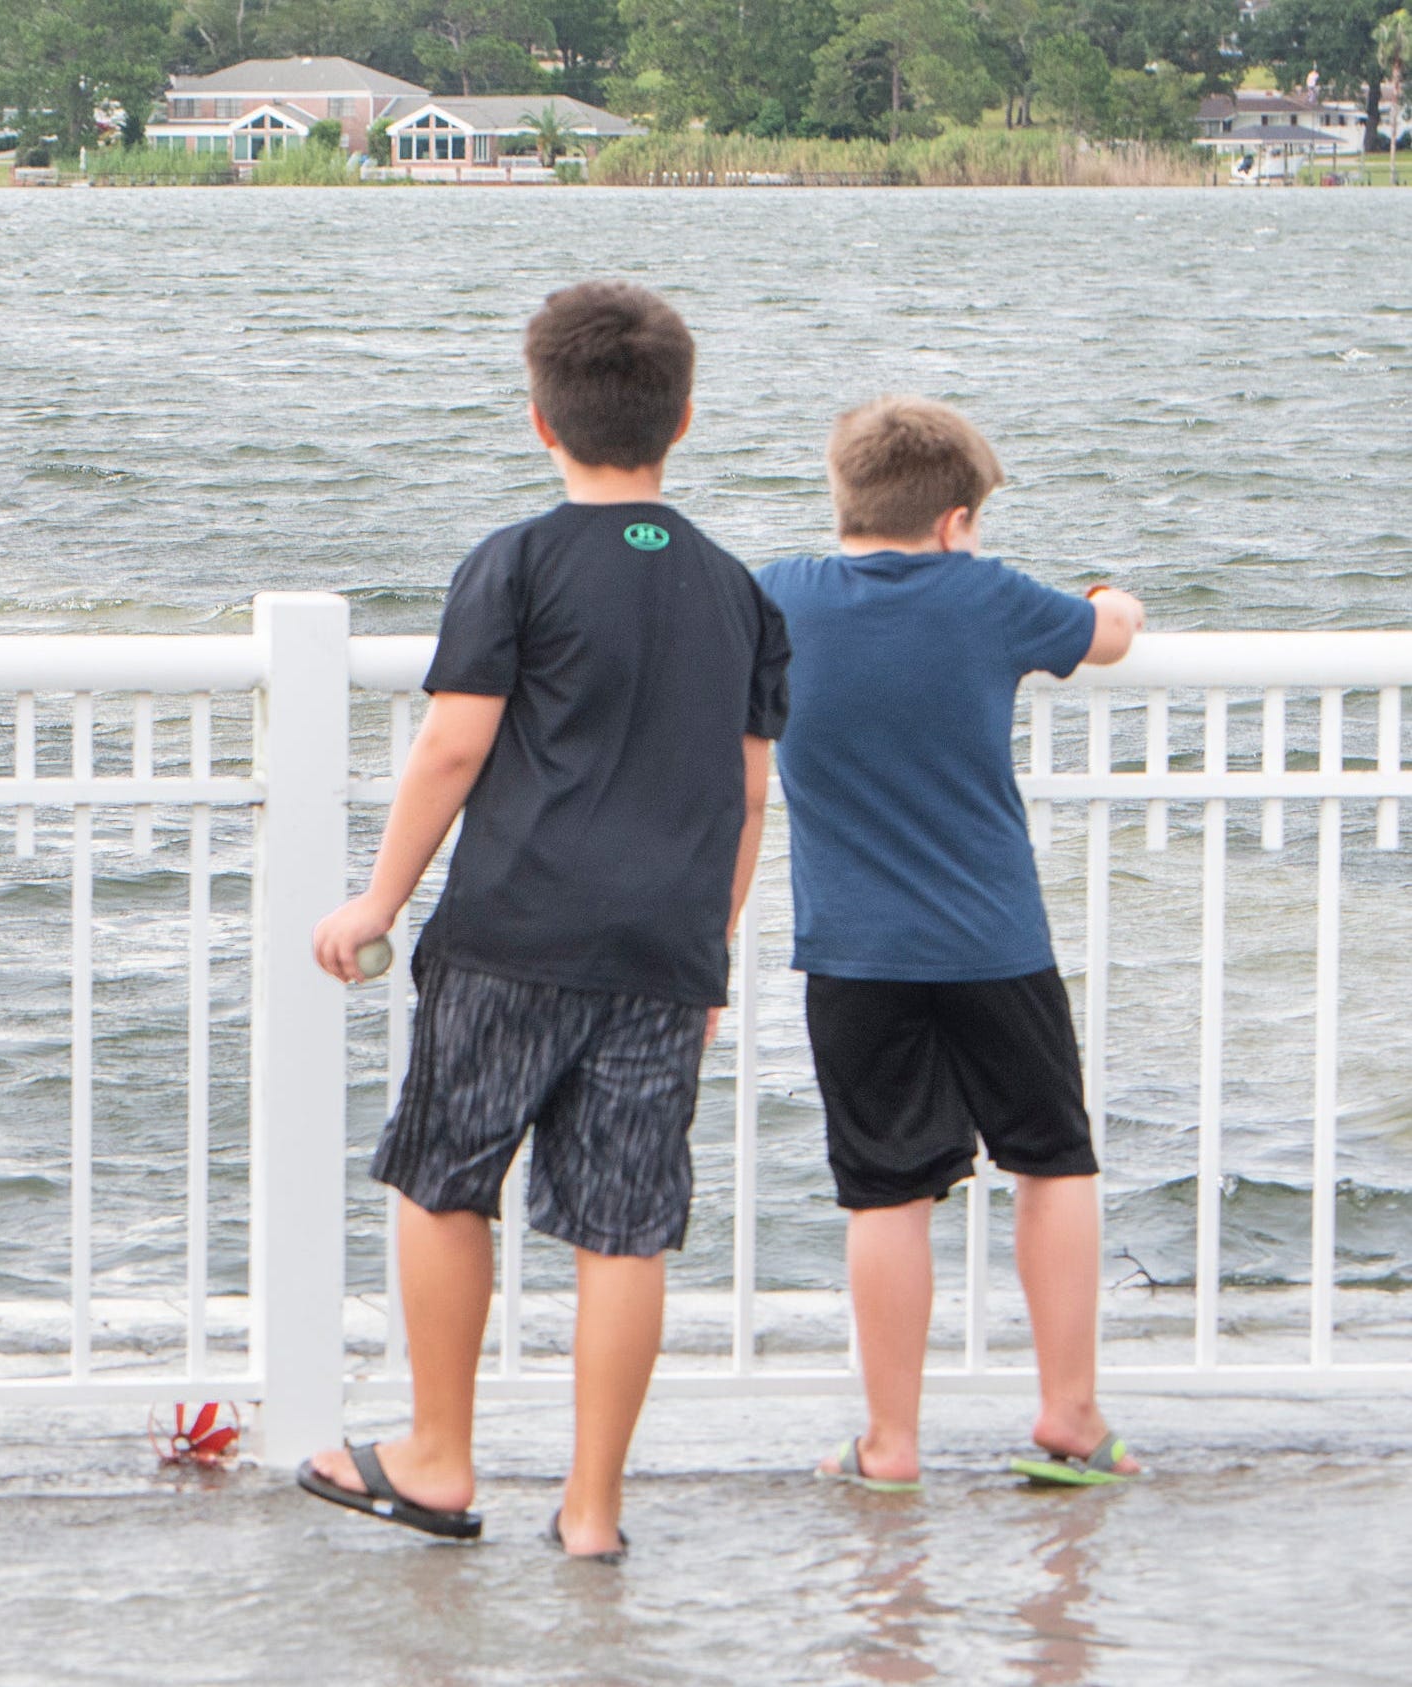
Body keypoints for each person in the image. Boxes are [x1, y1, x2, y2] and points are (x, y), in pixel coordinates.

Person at [297, 282, 789, 1562]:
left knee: (445, 1179)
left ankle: (439, 1459)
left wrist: (377, 898)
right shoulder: (739, 592)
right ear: (679, 419)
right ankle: (590, 1512)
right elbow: (746, 795)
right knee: (622, 1226)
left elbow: (454, 746)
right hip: (662, 956)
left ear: (537, 421)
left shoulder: (512, 563)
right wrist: (710, 951)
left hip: (512, 933)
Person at [758, 398, 1147, 1494]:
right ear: (955, 518)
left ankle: (888, 1442)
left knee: (882, 1192)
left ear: (844, 500)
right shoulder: (987, 595)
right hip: (992, 937)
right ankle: (1067, 1412)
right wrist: (1108, 595)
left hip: (850, 949)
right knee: (1049, 1160)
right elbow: (1108, 634)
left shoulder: (779, 595)